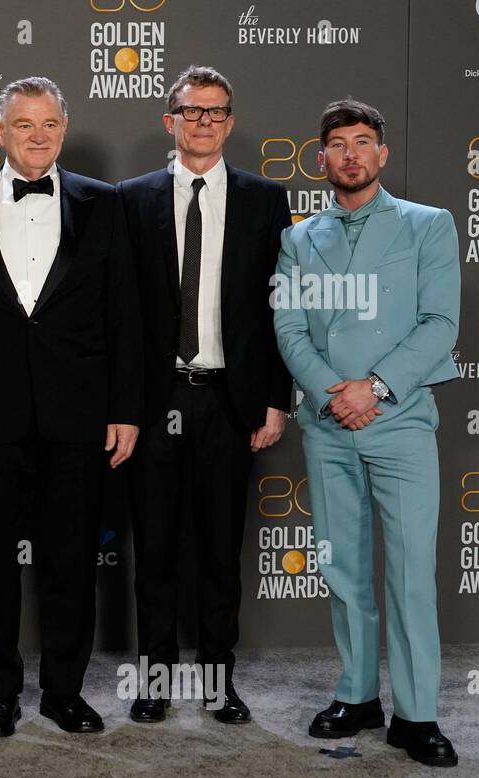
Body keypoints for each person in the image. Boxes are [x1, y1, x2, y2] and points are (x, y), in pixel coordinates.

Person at [0, 77, 142, 738]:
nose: (37, 136)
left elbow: (125, 316)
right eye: (23, 124)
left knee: (71, 562)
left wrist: (127, 409)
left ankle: (64, 691)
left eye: (49, 124)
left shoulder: (103, 203)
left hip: (77, 412)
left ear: (64, 127)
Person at [273, 98, 460, 767]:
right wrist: (334, 392)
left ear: (381, 154)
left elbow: (440, 323)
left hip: (401, 421)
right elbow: (289, 328)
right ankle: (356, 694)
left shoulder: (427, 226)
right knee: (342, 567)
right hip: (327, 426)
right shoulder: (299, 238)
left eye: (362, 142)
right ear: (321, 158)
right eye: (337, 144)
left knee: (409, 572)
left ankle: (416, 713)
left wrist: (372, 387)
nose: (350, 154)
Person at [119, 66, 293, 724]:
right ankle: (156, 680)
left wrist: (275, 399)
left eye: (216, 113)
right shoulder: (130, 199)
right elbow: (121, 313)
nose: (204, 123)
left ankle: (221, 682)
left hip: (230, 398)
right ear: (171, 120)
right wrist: (122, 406)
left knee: (221, 553)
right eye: (192, 112)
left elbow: (281, 310)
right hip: (156, 397)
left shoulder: (264, 200)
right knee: (155, 549)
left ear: (230, 121)